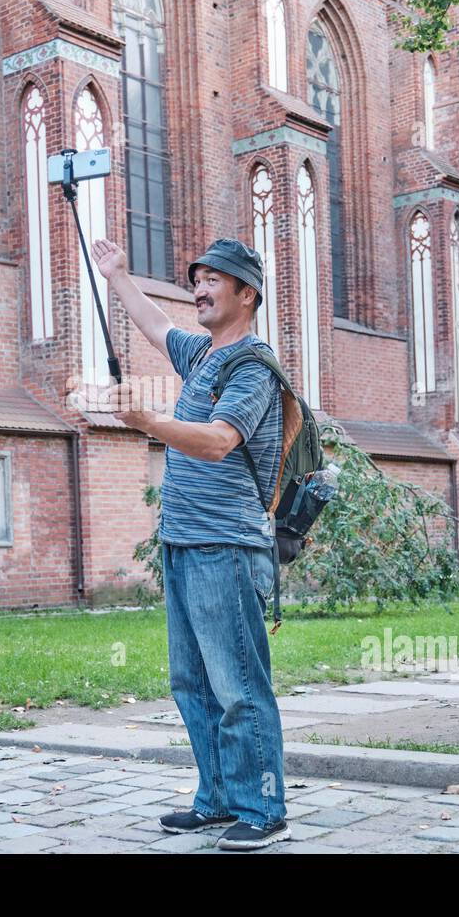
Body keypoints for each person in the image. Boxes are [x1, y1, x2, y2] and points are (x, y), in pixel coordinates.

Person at [92, 235, 290, 851]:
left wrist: (149, 422)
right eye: (195, 279)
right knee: (193, 685)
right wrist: (119, 275)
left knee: (237, 686)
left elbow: (216, 441)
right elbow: (154, 324)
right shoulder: (202, 354)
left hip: (225, 547)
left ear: (246, 293)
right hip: (182, 542)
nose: (198, 290)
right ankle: (217, 799)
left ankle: (262, 807)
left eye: (212, 281)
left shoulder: (251, 367)